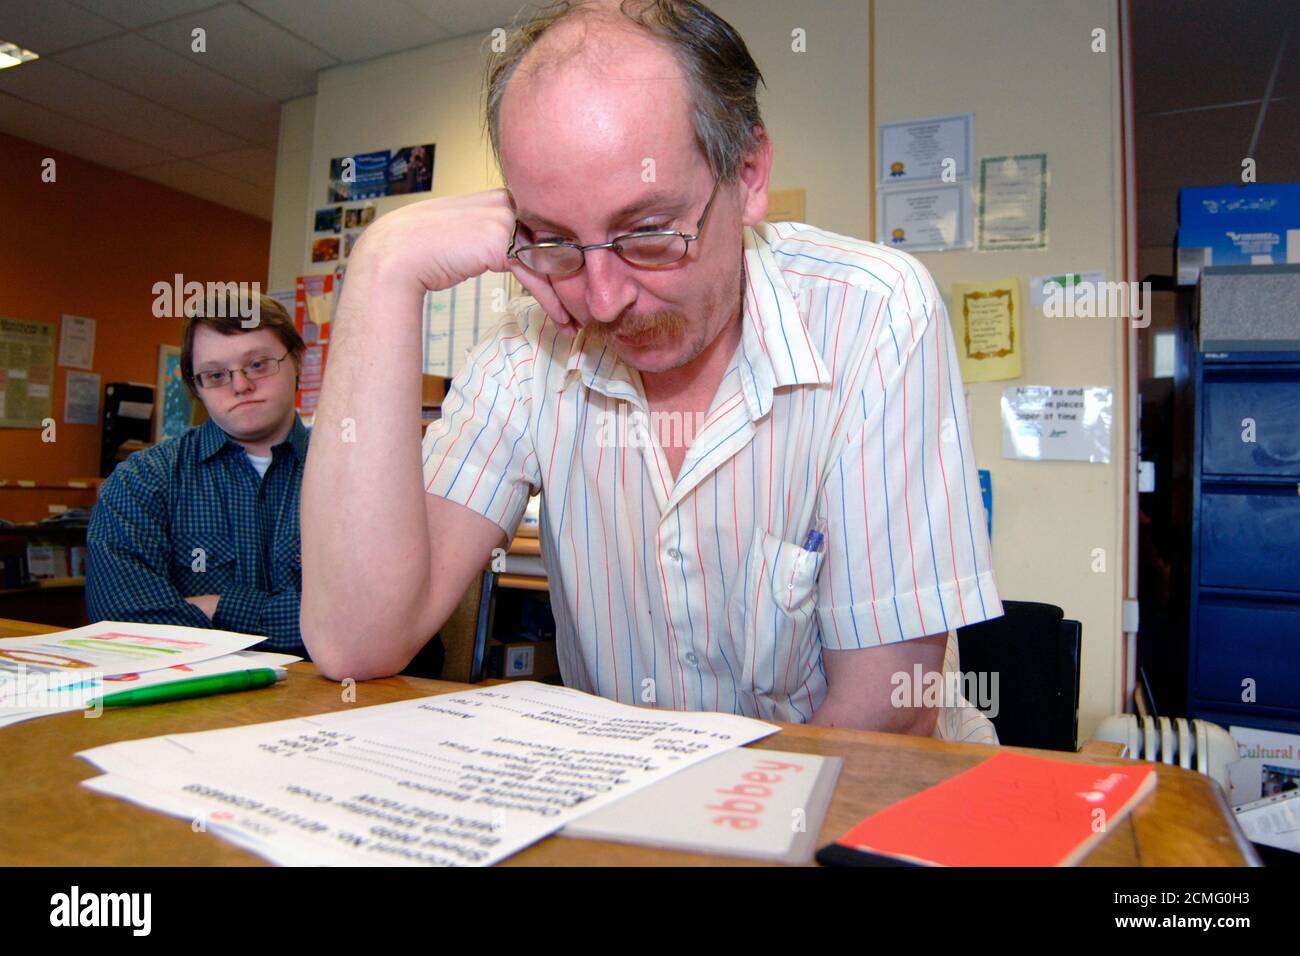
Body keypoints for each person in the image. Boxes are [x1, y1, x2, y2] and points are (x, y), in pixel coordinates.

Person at [302, 0, 1002, 738]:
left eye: (648, 232)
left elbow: (884, 714)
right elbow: (356, 641)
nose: (603, 302)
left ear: (750, 172)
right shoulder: (527, 346)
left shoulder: (874, 314)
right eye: (555, 240)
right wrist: (383, 266)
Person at [87, 293, 310, 654]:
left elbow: (376, 617)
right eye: (216, 374)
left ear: (297, 360)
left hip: (346, 702)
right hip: (194, 704)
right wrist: (308, 623)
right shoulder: (141, 483)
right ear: (195, 385)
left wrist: (218, 607)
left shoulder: (355, 475)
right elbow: (125, 628)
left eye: (258, 364)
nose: (240, 385)